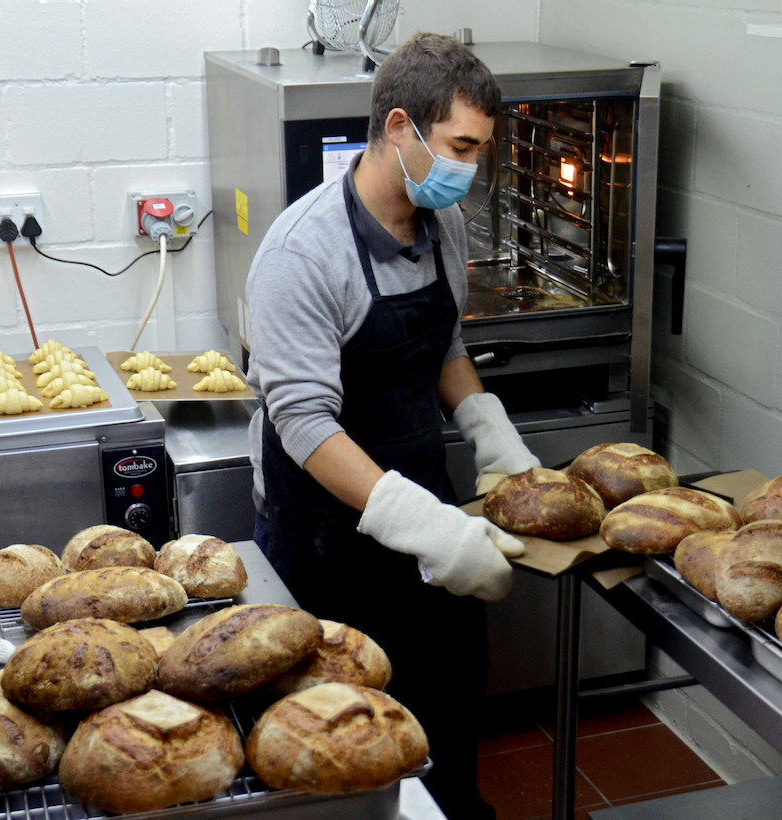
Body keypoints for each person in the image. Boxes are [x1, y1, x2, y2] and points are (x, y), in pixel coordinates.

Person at [246, 33, 541, 820]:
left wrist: (490, 432)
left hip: (420, 508)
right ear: (402, 128)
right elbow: (305, 425)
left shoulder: (441, 224)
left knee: (445, 716)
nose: (471, 169)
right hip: (326, 543)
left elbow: (443, 346)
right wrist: (426, 527)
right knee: (341, 749)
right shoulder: (302, 255)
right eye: (460, 147)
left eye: (481, 149)